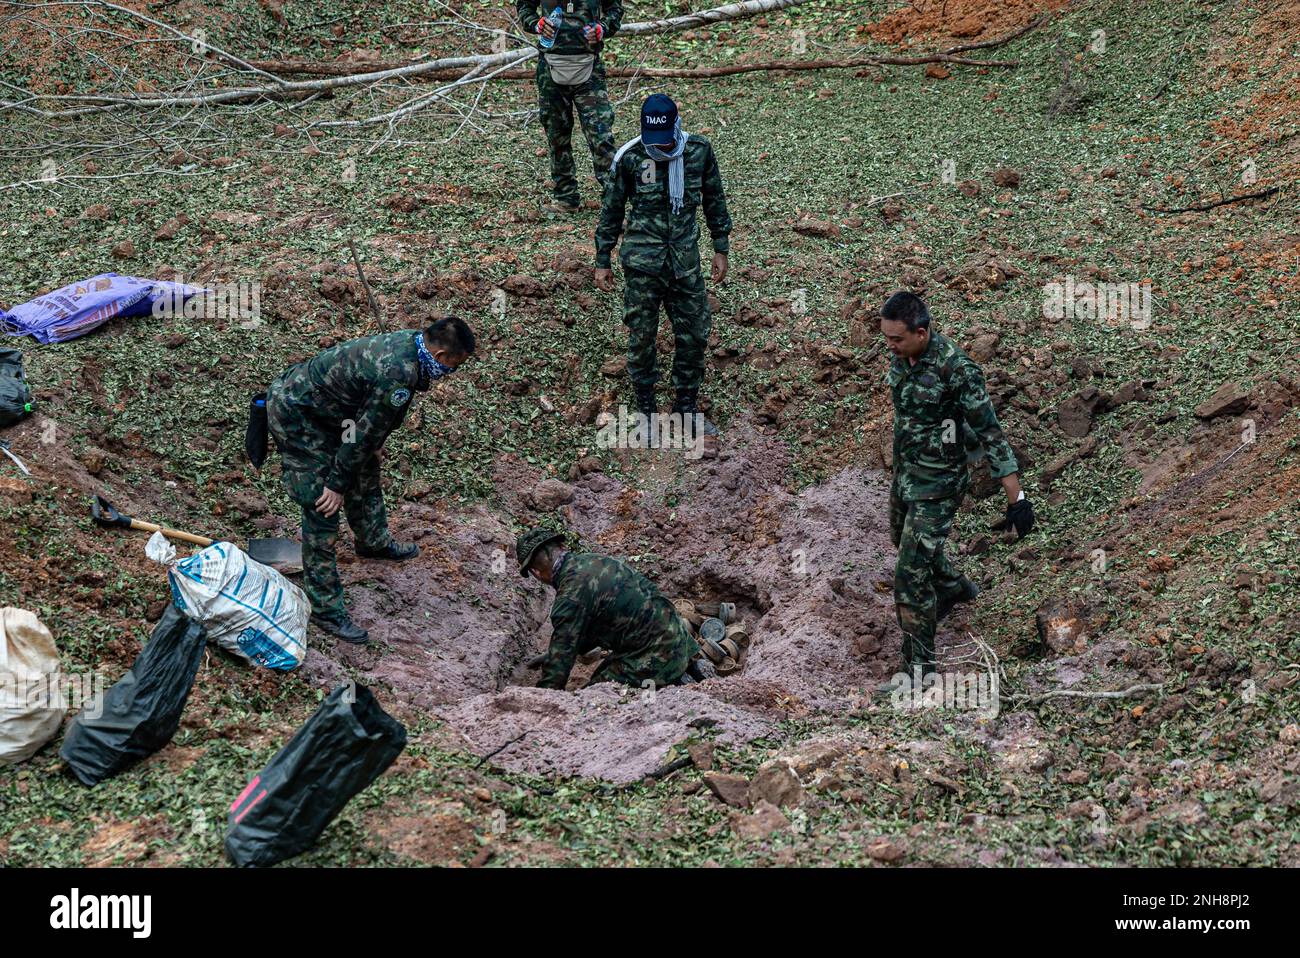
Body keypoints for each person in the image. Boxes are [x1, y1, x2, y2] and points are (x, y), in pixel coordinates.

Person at [266, 318, 476, 644]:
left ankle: (373, 541)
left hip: (336, 412)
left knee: (365, 466)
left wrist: (375, 443)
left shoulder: (413, 347)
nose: (453, 371)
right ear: (441, 353)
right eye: (454, 364)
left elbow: (374, 422)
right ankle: (325, 608)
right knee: (321, 503)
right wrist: (335, 484)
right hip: (299, 413)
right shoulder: (399, 372)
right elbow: (362, 434)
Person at [879, 291, 1034, 680]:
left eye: (897, 339)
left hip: (941, 484)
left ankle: (918, 673)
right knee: (904, 542)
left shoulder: (957, 370)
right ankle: (952, 586)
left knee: (909, 574)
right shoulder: (903, 357)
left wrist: (1017, 498)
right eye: (886, 338)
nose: (890, 346)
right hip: (907, 475)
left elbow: (991, 434)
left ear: (922, 331)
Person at [594, 93, 732, 432]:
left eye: (667, 139)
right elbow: (611, 209)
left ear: (677, 126)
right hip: (642, 265)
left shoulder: (699, 151)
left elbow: (714, 198)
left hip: (685, 262)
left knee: (695, 333)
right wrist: (603, 258)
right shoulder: (629, 157)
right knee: (642, 336)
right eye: (654, 140)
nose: (662, 147)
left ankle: (685, 407)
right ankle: (646, 408)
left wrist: (720, 246)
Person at [516, 527, 697, 690]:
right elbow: (598, 622)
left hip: (658, 654)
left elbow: (557, 672)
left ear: (535, 572)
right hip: (679, 638)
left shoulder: (569, 596)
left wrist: (541, 697)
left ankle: (670, 679)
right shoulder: (596, 561)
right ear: (562, 547)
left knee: (595, 695)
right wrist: (554, 653)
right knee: (603, 672)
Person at [517, 0, 624, 213]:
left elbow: (615, 8)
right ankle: (566, 198)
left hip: (589, 69)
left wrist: (603, 28)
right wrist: (537, 24)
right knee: (557, 137)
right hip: (551, 67)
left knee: (601, 137)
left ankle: (614, 206)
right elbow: (524, 6)